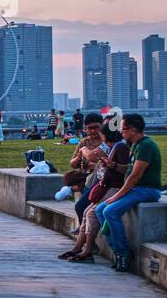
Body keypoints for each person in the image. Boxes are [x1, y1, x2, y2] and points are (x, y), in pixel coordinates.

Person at [94, 114, 163, 272]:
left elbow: (135, 176)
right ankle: (118, 251)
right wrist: (112, 165)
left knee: (110, 211)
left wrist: (117, 196)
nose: (120, 132)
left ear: (133, 129)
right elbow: (129, 170)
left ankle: (124, 253)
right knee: (99, 210)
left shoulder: (146, 145)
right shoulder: (135, 145)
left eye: (123, 129)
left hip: (146, 190)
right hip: (135, 189)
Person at [60, 123, 129, 262]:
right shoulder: (113, 146)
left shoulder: (119, 147)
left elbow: (124, 170)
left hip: (114, 188)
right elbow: (75, 162)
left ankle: (87, 250)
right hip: (105, 185)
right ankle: (80, 247)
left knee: (91, 212)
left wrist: (108, 165)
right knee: (86, 211)